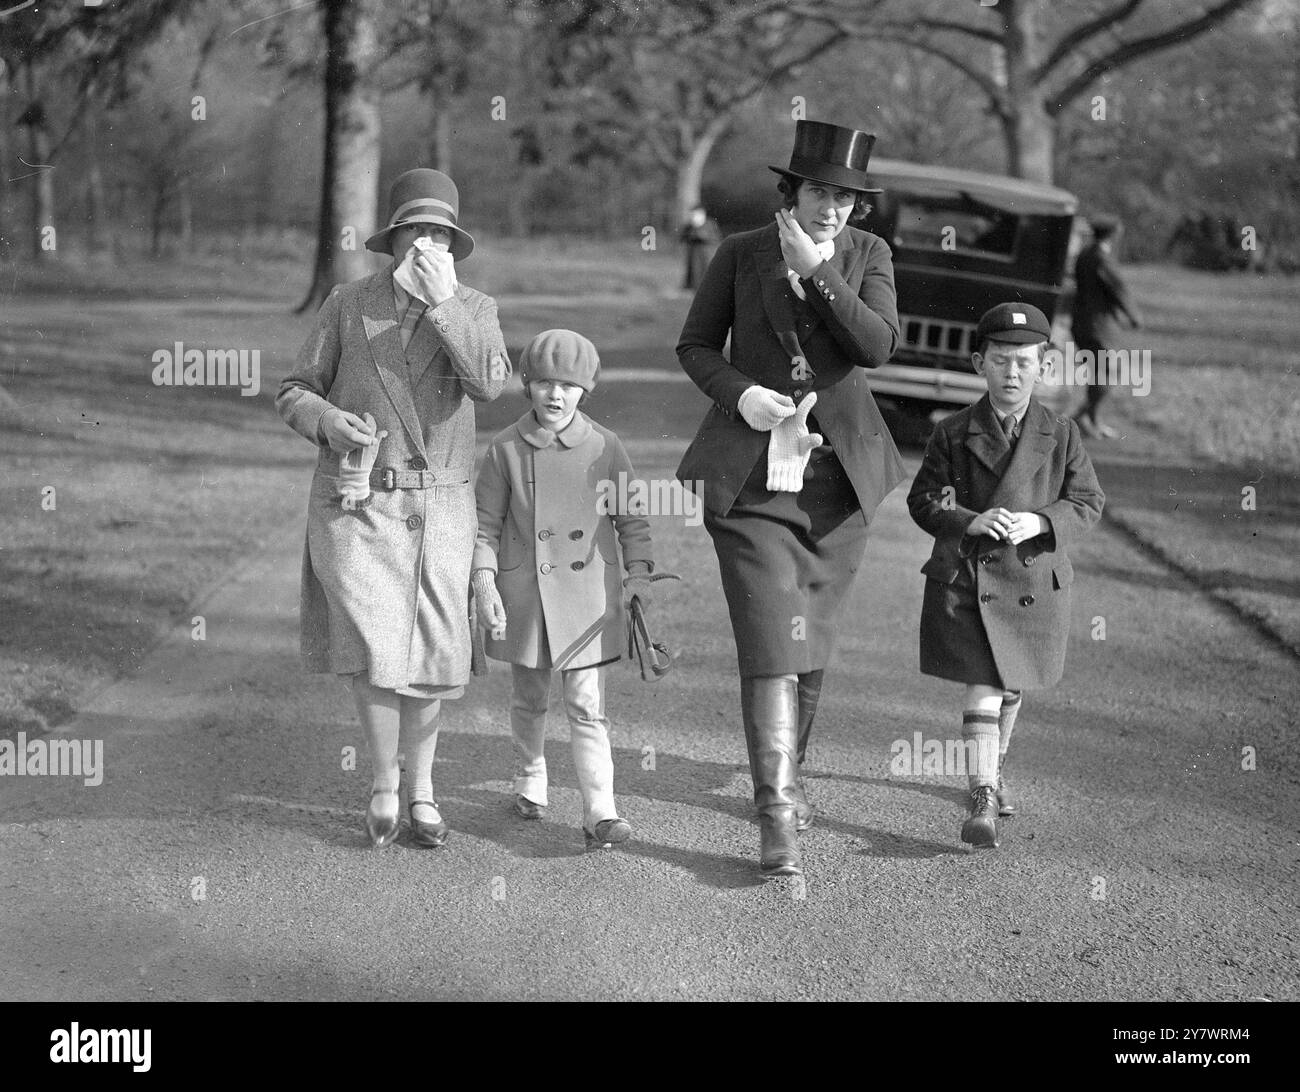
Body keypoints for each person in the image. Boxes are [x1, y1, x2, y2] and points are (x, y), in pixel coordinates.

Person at [676, 120, 906, 878]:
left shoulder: (869, 256)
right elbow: (697, 346)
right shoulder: (741, 252)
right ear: (792, 191)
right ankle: (776, 815)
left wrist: (820, 273)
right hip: (750, 479)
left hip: (837, 485)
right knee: (771, 634)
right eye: (819, 192)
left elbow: (875, 345)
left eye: (845, 197)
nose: (832, 208)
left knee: (810, 643)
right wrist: (739, 396)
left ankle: (791, 780)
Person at [277, 168, 510, 849]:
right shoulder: (350, 302)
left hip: (441, 506)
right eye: (415, 230)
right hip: (359, 504)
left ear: (453, 244)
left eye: (439, 232)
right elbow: (295, 387)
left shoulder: (476, 307)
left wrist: (446, 310)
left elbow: (492, 385)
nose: (426, 244)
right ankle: (384, 783)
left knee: (434, 656)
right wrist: (326, 421)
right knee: (375, 650)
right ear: (393, 239)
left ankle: (425, 792)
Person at [907, 303, 1104, 848]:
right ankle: (981, 795)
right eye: (1000, 360)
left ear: (1043, 366)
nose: (1012, 373)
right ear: (979, 363)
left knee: (1010, 681)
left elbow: (1087, 501)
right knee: (985, 681)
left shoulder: (1062, 434)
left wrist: (1042, 519)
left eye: (1024, 362)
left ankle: (992, 771)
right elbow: (923, 501)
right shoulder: (950, 433)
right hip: (970, 577)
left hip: (1034, 580)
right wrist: (972, 520)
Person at [471, 329, 657, 849]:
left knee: (586, 704)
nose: (556, 396)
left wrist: (638, 575)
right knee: (529, 695)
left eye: (569, 387)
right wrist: (484, 581)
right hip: (526, 592)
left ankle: (600, 810)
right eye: (545, 383)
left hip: (586, 597)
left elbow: (631, 518)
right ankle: (531, 779)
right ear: (527, 386)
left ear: (585, 391)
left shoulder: (606, 445)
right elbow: (484, 524)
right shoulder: (505, 447)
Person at [1071, 215, 1142, 439]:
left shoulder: (1085, 254)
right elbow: (1119, 289)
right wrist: (1133, 316)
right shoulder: (1102, 259)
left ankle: (1088, 418)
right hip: (1097, 326)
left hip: (1083, 322)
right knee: (1108, 373)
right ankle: (1088, 418)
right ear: (1113, 234)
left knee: (1100, 372)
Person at [679, 205, 721, 291]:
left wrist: (702, 235)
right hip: (693, 252)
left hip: (707, 251)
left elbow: (716, 238)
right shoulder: (689, 226)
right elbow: (682, 238)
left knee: (706, 270)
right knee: (695, 271)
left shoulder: (710, 224)